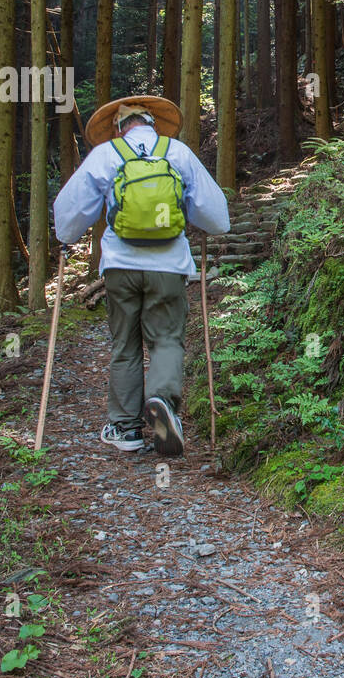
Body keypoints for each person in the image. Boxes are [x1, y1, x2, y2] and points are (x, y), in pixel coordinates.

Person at [54, 96, 230, 456]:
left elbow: (69, 215)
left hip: (120, 266)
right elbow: (217, 218)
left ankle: (124, 428)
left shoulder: (106, 155)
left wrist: (66, 239)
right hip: (168, 266)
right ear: (152, 124)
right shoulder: (176, 152)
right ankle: (162, 401)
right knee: (166, 339)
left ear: (119, 128)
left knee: (125, 345)